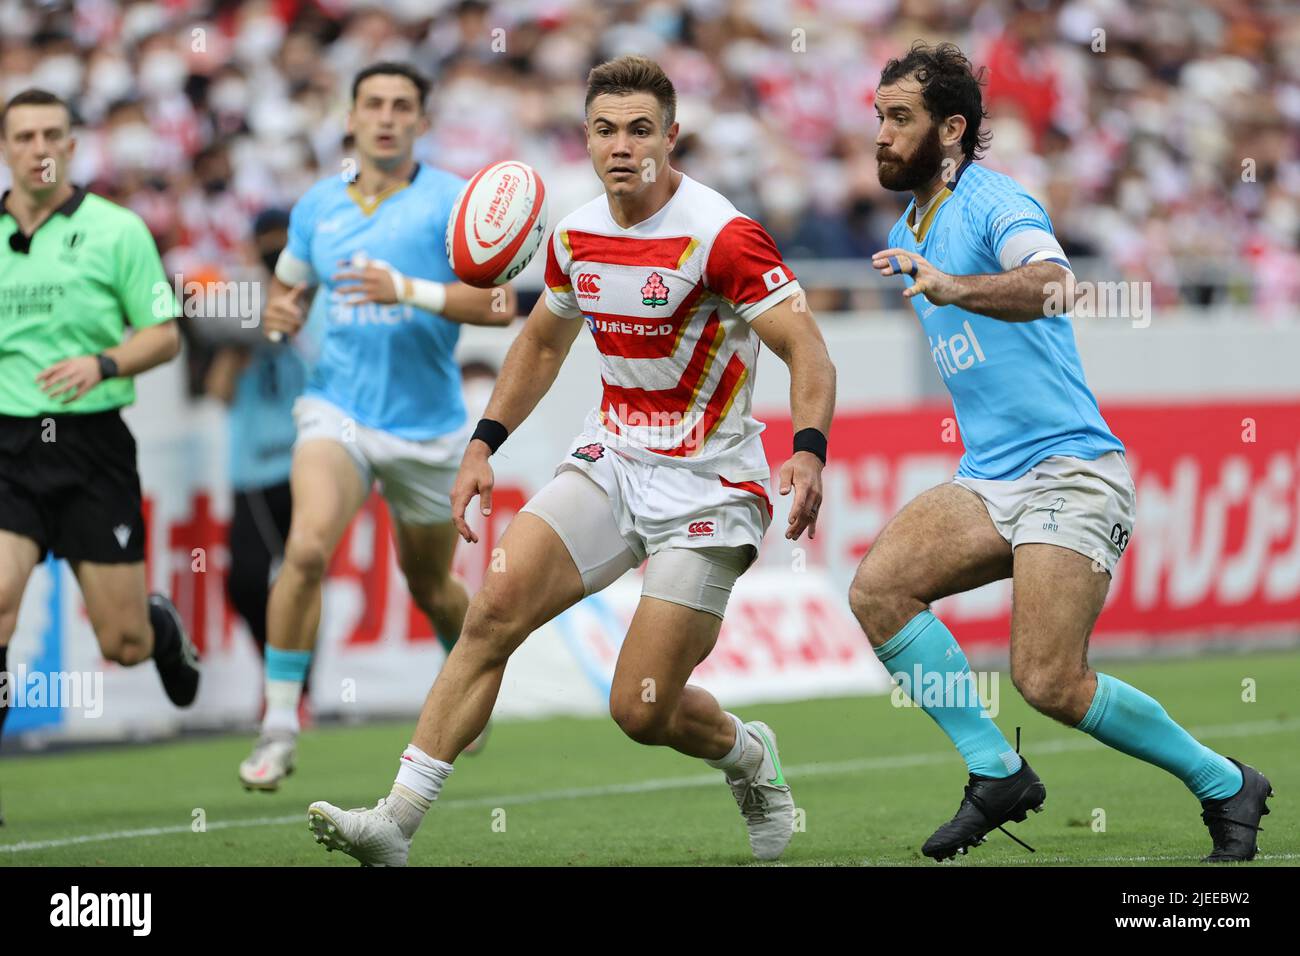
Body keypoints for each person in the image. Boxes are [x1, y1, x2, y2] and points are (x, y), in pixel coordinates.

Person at [305, 54, 836, 866]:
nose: (621, 147)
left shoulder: (721, 235)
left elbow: (807, 348)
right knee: (492, 611)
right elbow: (543, 343)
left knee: (641, 709)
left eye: (640, 130)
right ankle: (394, 824)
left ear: (671, 136)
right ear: (585, 138)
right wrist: (484, 444)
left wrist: (807, 450)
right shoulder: (577, 231)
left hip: (709, 484)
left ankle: (748, 755)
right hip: (611, 460)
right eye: (604, 130)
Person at [852, 41, 1272, 863]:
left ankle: (1226, 782)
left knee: (1047, 681)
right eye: (879, 118)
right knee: (879, 591)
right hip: (991, 477)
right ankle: (995, 769)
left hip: (1072, 472)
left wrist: (953, 286)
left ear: (952, 129)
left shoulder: (993, 201)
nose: (882, 135)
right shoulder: (912, 223)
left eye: (900, 119)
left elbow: (1054, 283)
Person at [236, 62, 513, 790]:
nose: (386, 118)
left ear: (422, 122)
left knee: (427, 583)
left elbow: (499, 306)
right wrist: (279, 312)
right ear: (350, 118)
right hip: (338, 410)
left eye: (402, 106)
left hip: (427, 426)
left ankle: (466, 666)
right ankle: (278, 725)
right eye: (373, 105)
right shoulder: (318, 206)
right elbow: (290, 289)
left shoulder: (457, 202)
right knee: (303, 549)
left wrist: (408, 289)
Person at [0, 90, 201, 773]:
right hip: (9, 446)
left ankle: (161, 630)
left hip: (90, 446)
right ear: (6, 148)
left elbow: (164, 336)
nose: (38, 148)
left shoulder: (118, 230)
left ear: (72, 147)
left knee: (123, 643)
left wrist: (103, 362)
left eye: (51, 134)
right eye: (23, 136)